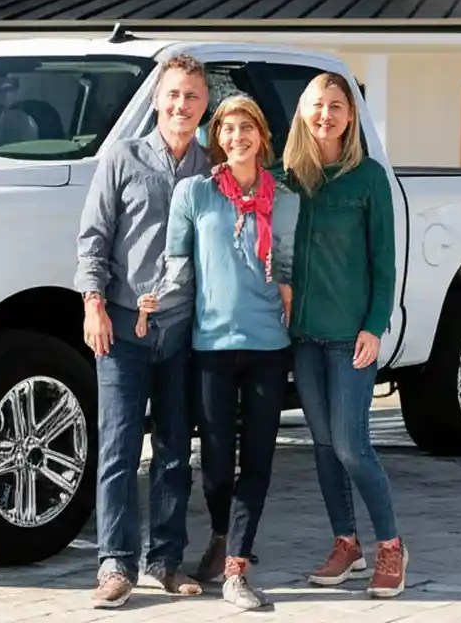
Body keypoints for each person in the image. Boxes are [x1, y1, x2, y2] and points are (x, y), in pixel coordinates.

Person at [138, 94, 297, 611]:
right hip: (212, 346)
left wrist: (290, 294)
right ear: (216, 138)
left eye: (246, 127)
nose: (236, 137)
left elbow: (290, 264)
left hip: (269, 347)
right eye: (227, 128)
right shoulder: (195, 193)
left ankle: (236, 569)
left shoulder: (286, 197)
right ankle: (222, 535)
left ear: (261, 136)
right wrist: (154, 299)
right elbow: (178, 261)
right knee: (215, 464)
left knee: (257, 459)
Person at [75, 54, 213, 609]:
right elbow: (94, 237)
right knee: (119, 449)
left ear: (205, 106)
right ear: (158, 98)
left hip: (182, 332)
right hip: (122, 331)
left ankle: (166, 560)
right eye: (174, 94)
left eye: (193, 97)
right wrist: (92, 305)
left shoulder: (212, 169)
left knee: (177, 452)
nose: (182, 105)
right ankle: (114, 565)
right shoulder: (121, 157)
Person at [279, 71, 408, 598]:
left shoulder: (369, 177)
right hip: (304, 338)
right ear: (303, 113)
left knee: (353, 446)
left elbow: (385, 262)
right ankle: (346, 543)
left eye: (337, 105)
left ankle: (391, 547)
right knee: (325, 446)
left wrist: (375, 327)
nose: (326, 114)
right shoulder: (288, 178)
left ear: (350, 116)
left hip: (352, 337)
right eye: (317, 104)